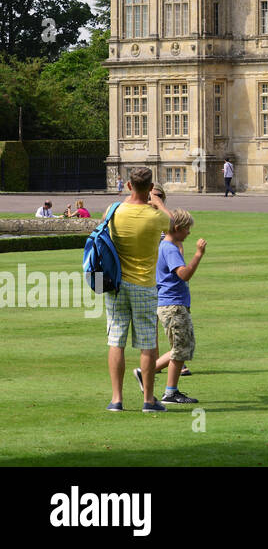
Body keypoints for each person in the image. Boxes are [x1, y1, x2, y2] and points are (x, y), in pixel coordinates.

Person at [103, 166, 172, 412]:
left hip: (116, 284)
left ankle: (116, 399)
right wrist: (156, 202)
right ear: (151, 188)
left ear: (129, 185)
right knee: (147, 343)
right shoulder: (156, 217)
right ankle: (148, 400)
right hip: (144, 284)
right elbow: (173, 224)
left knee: (116, 340)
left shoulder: (114, 211)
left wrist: (128, 198)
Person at [134, 209, 204, 404]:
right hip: (173, 305)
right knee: (180, 348)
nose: (189, 232)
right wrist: (199, 254)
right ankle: (170, 391)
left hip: (172, 303)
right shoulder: (170, 249)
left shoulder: (166, 246)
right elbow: (184, 274)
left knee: (183, 347)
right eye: (187, 228)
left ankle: (148, 373)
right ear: (177, 228)